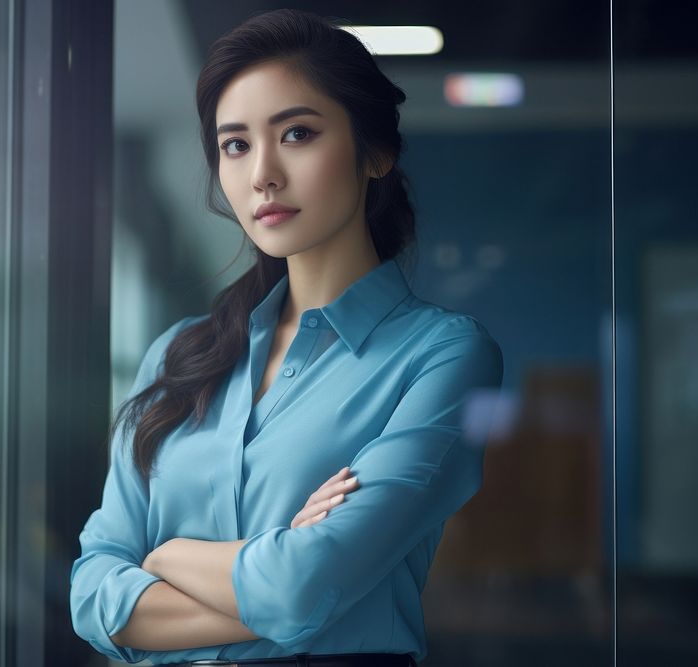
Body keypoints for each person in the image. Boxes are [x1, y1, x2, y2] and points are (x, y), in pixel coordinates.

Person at [70, 8, 503, 666]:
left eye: (297, 133)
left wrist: (166, 558)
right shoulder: (178, 355)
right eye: (235, 144)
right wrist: (273, 577)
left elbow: (305, 584)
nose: (262, 174)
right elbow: (91, 592)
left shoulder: (442, 357)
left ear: (376, 153)